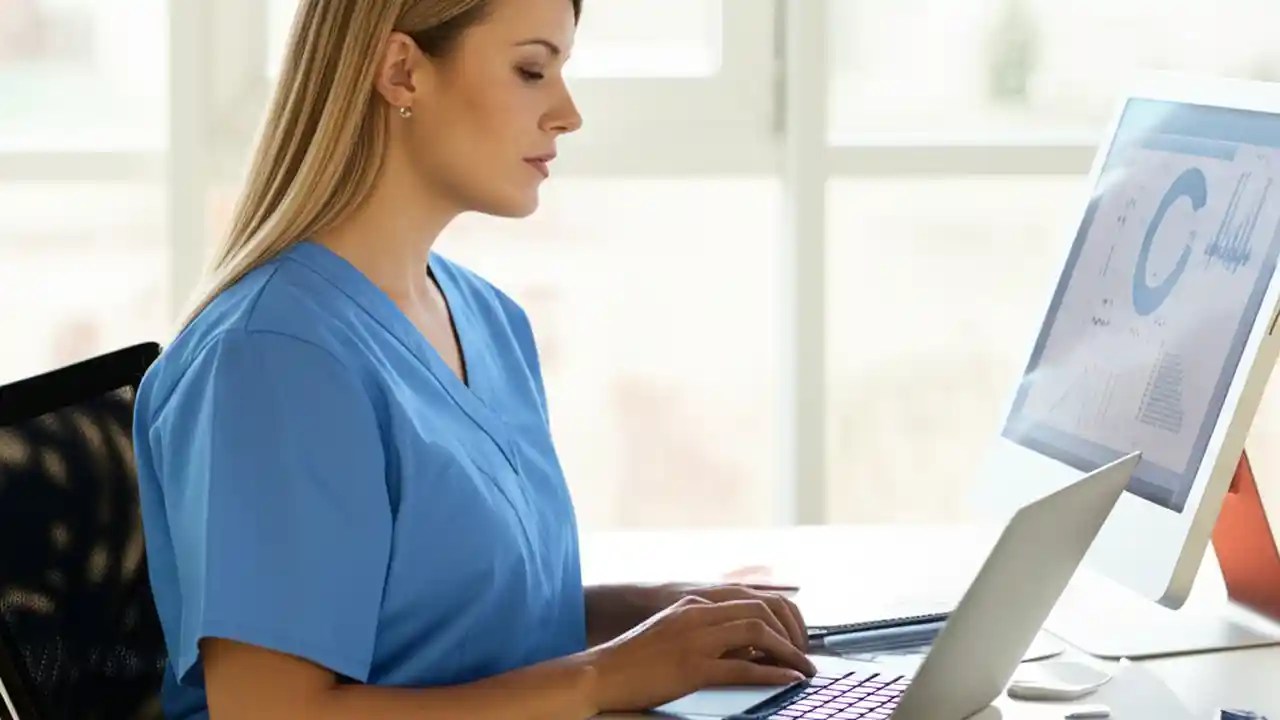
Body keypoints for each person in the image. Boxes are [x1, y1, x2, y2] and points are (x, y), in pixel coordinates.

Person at [131, 1, 816, 718]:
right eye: (531, 70)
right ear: (402, 72)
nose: (568, 115)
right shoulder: (272, 359)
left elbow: (459, 623)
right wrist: (604, 676)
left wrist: (656, 613)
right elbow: (272, 712)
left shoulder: (489, 319)